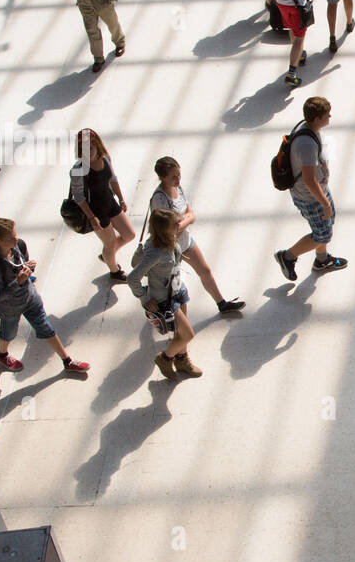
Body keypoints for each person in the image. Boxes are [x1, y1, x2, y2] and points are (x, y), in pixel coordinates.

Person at [0, 218, 89, 374]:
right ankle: (2, 354)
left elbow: (22, 264)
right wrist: (18, 282)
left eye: (15, 234)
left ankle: (67, 360)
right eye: (11, 237)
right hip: (10, 308)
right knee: (8, 333)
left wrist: (28, 268)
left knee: (46, 326)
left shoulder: (17, 246)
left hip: (30, 298)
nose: (16, 238)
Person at [150, 157, 245, 313]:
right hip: (169, 249)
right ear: (162, 178)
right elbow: (168, 229)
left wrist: (184, 221)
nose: (177, 179)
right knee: (173, 287)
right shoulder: (159, 199)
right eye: (173, 176)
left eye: (178, 174)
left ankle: (221, 303)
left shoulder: (178, 188)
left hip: (185, 242)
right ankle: (170, 318)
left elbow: (189, 212)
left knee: (205, 271)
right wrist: (187, 220)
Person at [274, 96, 347, 280]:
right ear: (316, 119)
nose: (330, 115)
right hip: (310, 196)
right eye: (326, 114)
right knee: (322, 234)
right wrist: (325, 203)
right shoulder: (306, 145)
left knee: (326, 225)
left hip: (318, 191)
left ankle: (322, 260)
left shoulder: (305, 126)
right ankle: (287, 256)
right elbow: (309, 179)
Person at [131, 209, 201, 380]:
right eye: (175, 224)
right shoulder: (155, 251)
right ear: (164, 229)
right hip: (166, 299)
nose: (179, 225)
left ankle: (182, 360)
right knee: (188, 334)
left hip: (178, 290)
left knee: (180, 334)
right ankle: (165, 358)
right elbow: (133, 278)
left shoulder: (170, 240)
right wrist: (145, 298)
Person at [70, 128, 135, 282]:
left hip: (109, 202)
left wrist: (121, 198)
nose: (88, 152)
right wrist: (92, 218)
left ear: (97, 145)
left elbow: (112, 178)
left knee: (129, 234)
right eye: (83, 149)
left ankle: (107, 255)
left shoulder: (105, 158)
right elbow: (79, 197)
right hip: (96, 211)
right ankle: (114, 271)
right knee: (110, 243)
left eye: (91, 147)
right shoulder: (78, 170)